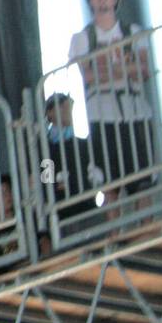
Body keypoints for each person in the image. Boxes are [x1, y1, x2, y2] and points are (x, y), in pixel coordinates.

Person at [68, 0, 155, 200]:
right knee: (108, 182)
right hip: (102, 113)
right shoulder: (81, 38)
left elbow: (144, 70)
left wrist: (105, 67)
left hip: (134, 109)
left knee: (142, 178)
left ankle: (145, 230)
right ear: (90, 1)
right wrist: (124, 66)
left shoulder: (133, 31)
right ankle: (115, 234)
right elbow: (87, 76)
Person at [44, 92, 105, 227]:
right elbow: (46, 180)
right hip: (62, 213)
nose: (67, 112)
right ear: (50, 113)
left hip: (88, 205)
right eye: (62, 107)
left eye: (69, 108)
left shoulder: (83, 144)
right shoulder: (46, 149)